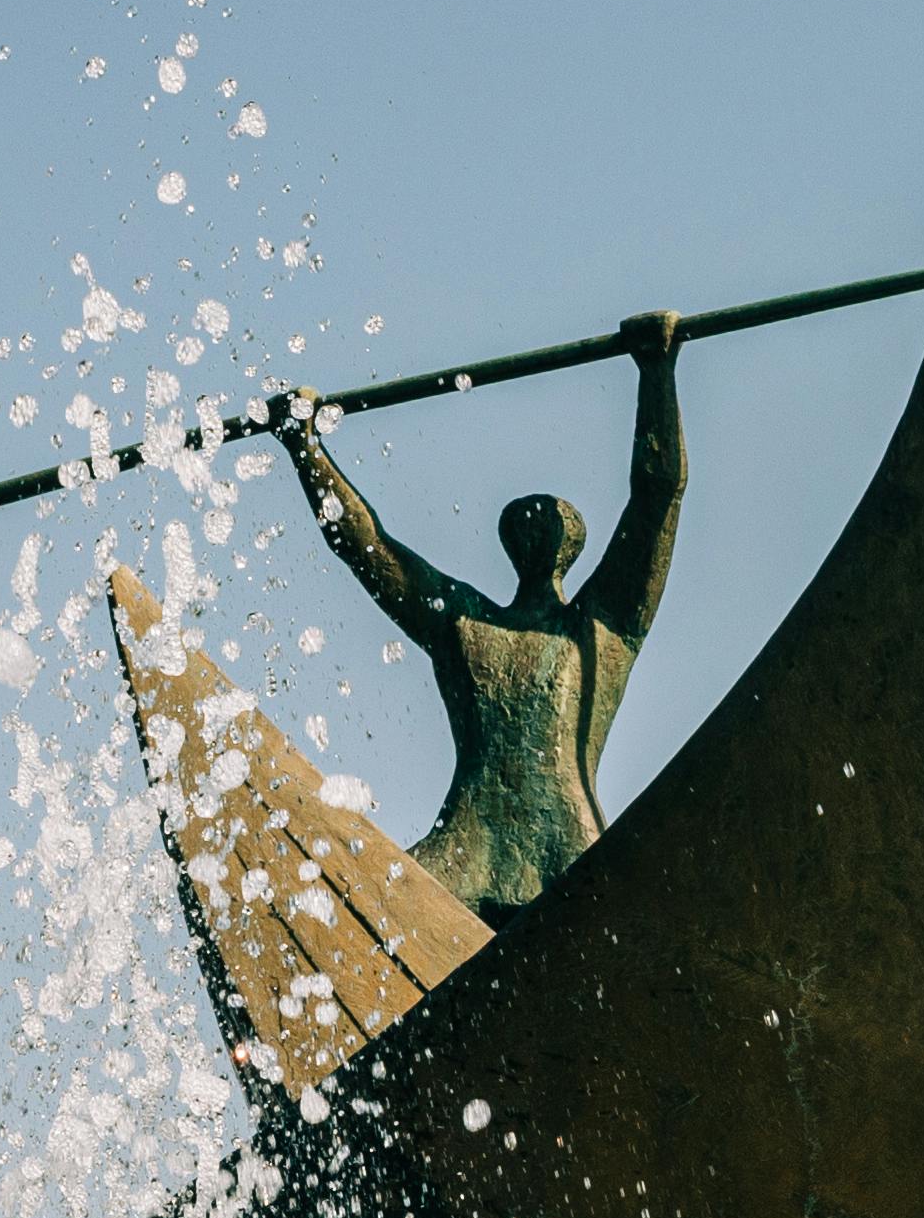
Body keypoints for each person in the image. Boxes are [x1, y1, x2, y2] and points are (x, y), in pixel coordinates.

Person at [272, 312, 684, 914]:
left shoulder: (602, 626)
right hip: (464, 849)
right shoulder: (465, 622)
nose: (537, 518)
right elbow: (367, 547)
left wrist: (657, 371)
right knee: (362, 917)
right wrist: (302, 446)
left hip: (564, 849)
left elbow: (658, 494)